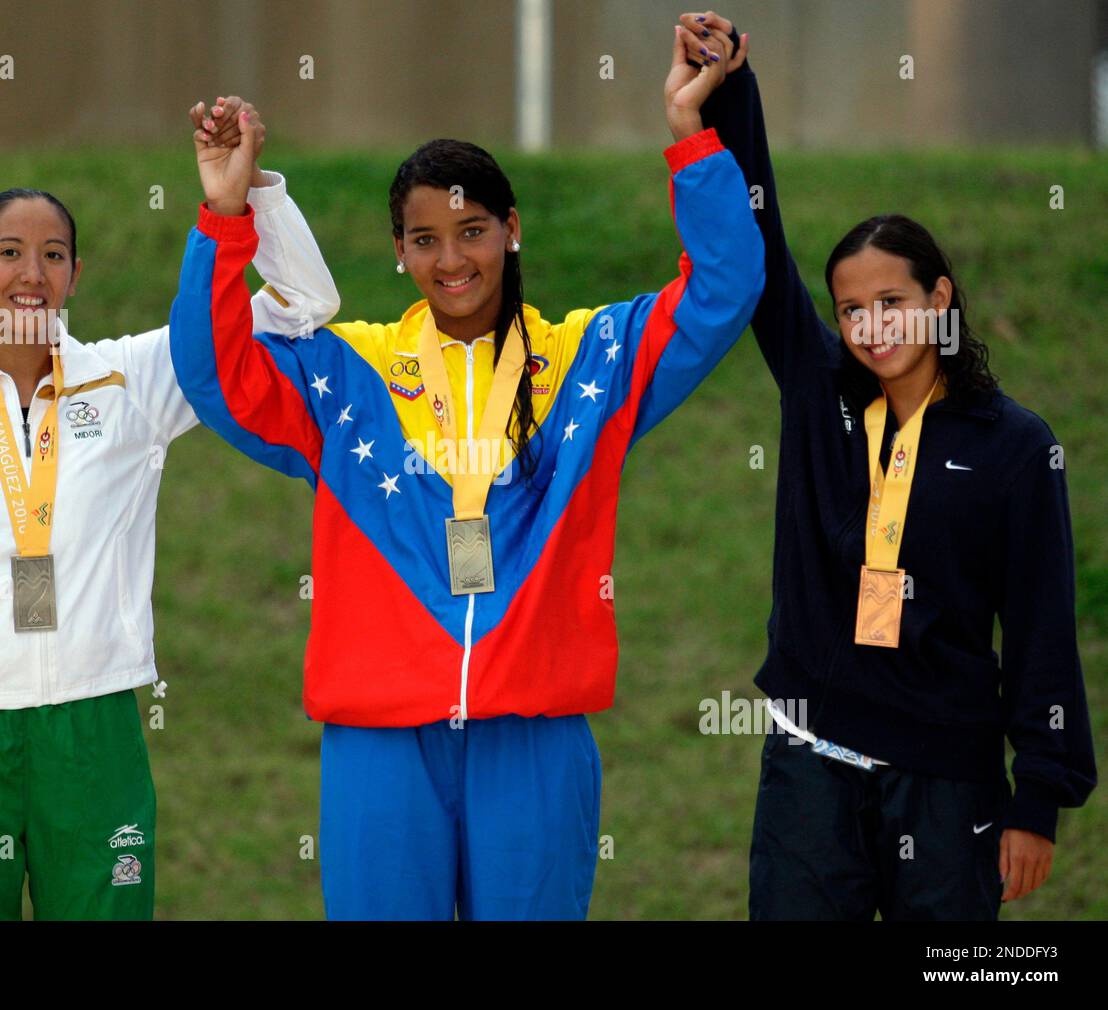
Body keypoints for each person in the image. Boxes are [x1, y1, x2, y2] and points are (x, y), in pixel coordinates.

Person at [168, 32, 763, 919]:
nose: (453, 261)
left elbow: (723, 287)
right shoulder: (350, 375)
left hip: (535, 729)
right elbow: (217, 375)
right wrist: (225, 213)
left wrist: (688, 126)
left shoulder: (586, 362)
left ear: (512, 230)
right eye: (426, 240)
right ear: (399, 252)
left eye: (474, 232)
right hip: (379, 733)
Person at [0, 98, 340, 920]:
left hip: (95, 728)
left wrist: (239, 202)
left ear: (77, 273)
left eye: (53, 255)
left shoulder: (133, 379)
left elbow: (304, 306)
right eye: (9, 253)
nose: (30, 274)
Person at [674, 11, 1097, 919]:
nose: (872, 326)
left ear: (939, 298)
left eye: (893, 301)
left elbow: (1040, 628)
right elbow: (758, 246)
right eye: (851, 308)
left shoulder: (1016, 446)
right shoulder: (817, 385)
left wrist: (1039, 799)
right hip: (809, 775)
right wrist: (730, 92)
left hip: (948, 784)